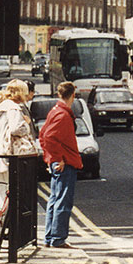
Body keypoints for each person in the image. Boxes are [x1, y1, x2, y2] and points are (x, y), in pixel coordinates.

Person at [0, 79, 40, 228]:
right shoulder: (14, 109)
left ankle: (3, 224)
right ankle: (7, 228)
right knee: (11, 192)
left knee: (3, 191)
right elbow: (16, 129)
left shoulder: (1, 107)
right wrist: (26, 125)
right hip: (8, 155)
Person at [39, 81, 82, 249]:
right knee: (63, 201)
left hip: (59, 163)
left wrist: (50, 157)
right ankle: (58, 239)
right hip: (66, 164)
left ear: (59, 94)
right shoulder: (63, 115)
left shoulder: (55, 111)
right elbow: (48, 137)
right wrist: (58, 158)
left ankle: (50, 237)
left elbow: (42, 134)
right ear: (73, 95)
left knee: (54, 200)